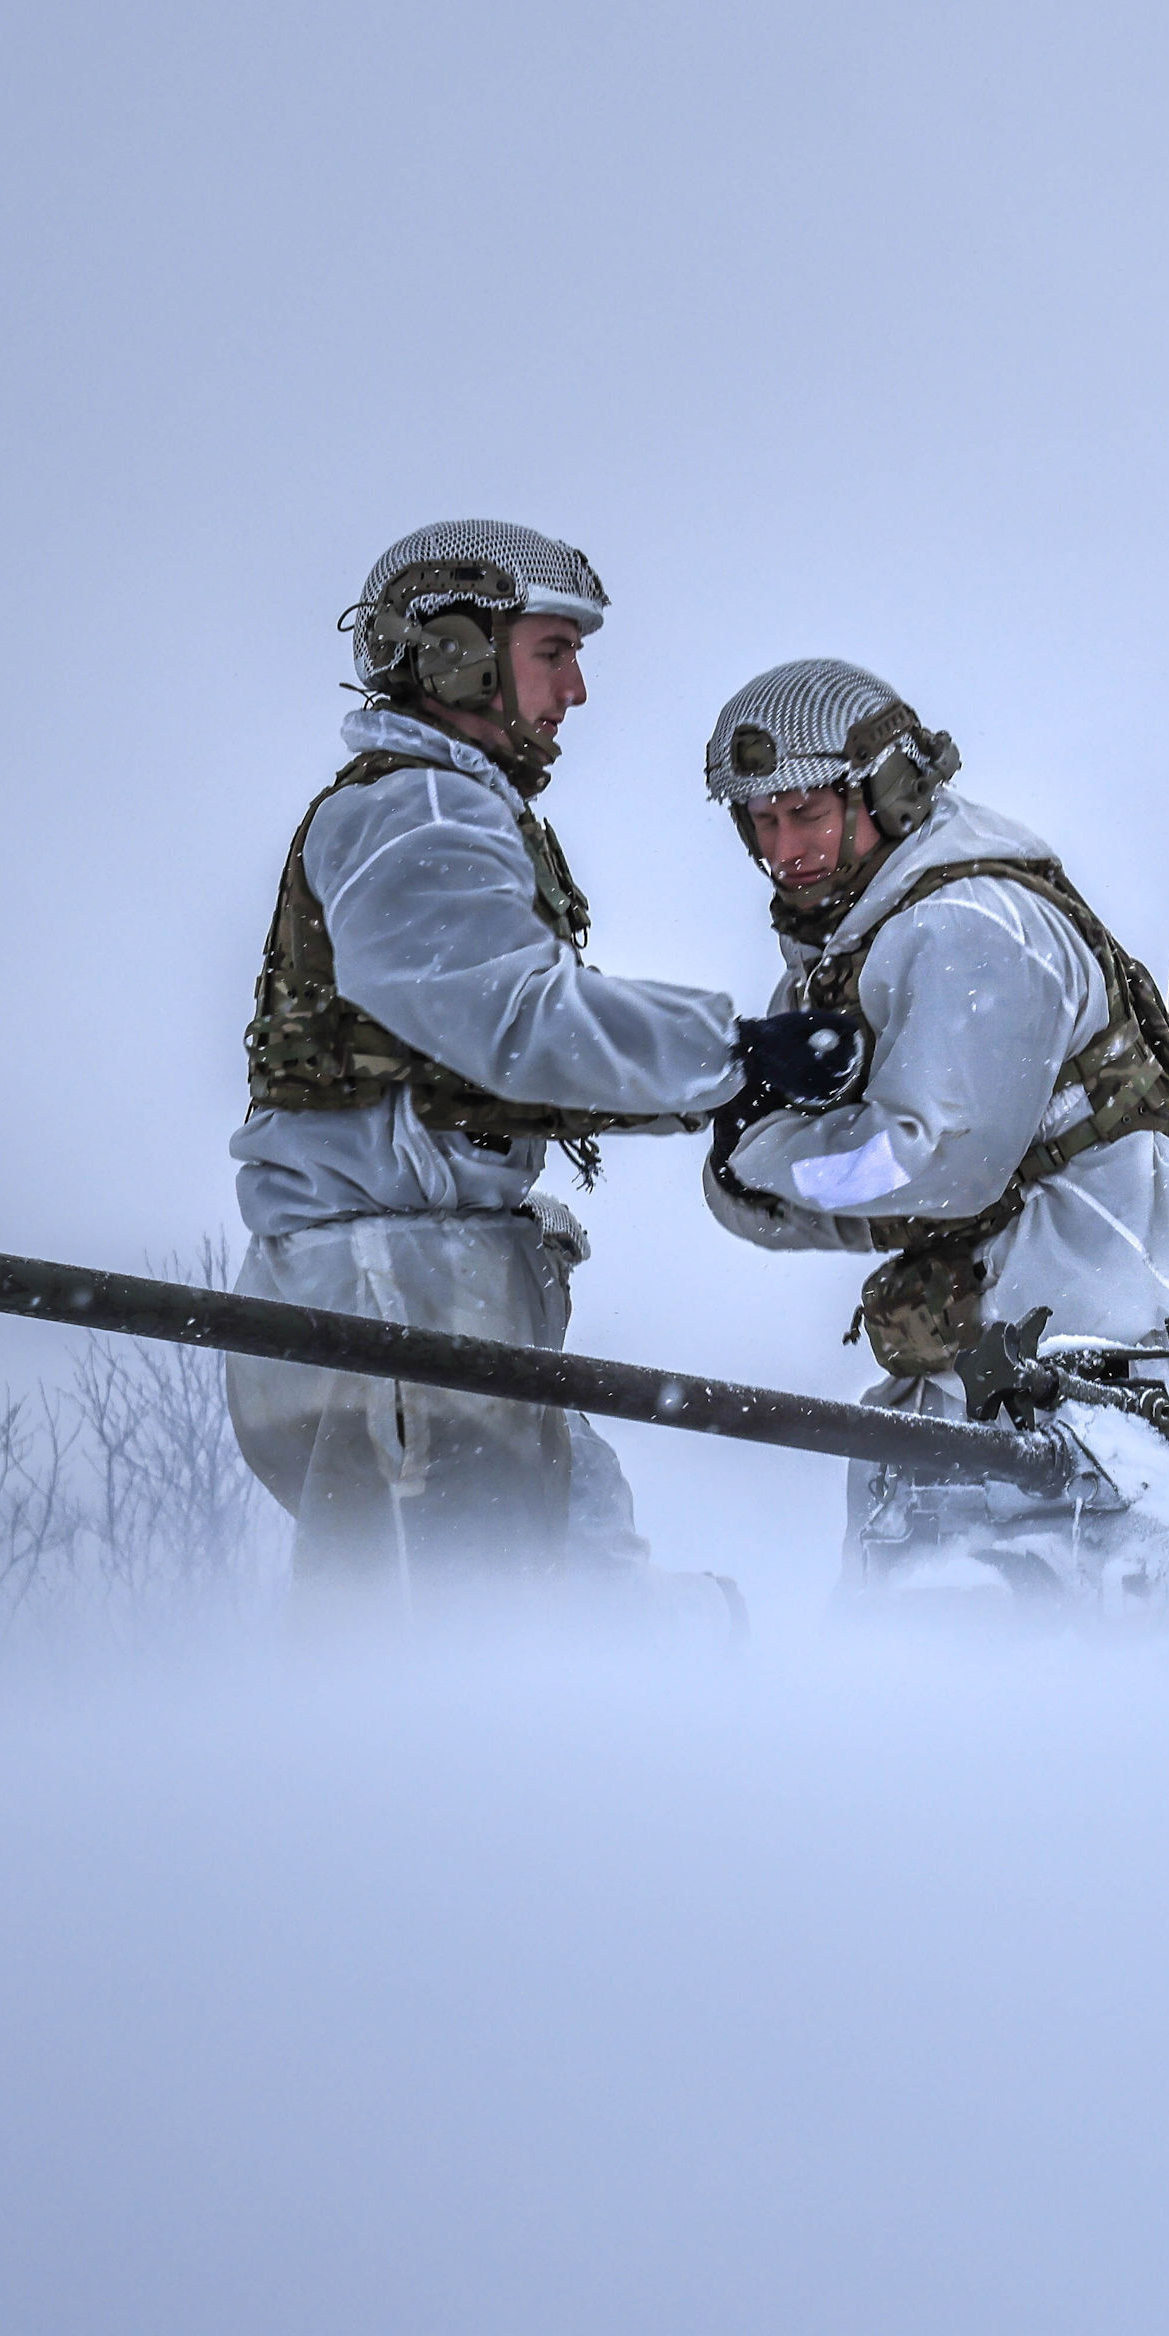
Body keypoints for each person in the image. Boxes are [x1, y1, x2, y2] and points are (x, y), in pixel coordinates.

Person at [230, 520, 818, 1589]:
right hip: (392, 1300)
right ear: (455, 650)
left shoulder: (445, 809)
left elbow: (483, 1059)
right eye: (554, 651)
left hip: (432, 1283)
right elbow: (516, 1025)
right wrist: (734, 1055)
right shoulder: (413, 810)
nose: (578, 688)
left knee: (572, 1608)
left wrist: (713, 1084)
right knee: (438, 1652)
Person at [698, 659, 1169, 1432]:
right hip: (1023, 1331)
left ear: (887, 796)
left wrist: (755, 1160)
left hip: (1106, 1330)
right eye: (763, 820)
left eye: (805, 812)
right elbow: (867, 1186)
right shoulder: (850, 936)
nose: (785, 847)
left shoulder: (966, 924)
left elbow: (933, 1164)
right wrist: (751, 1177)